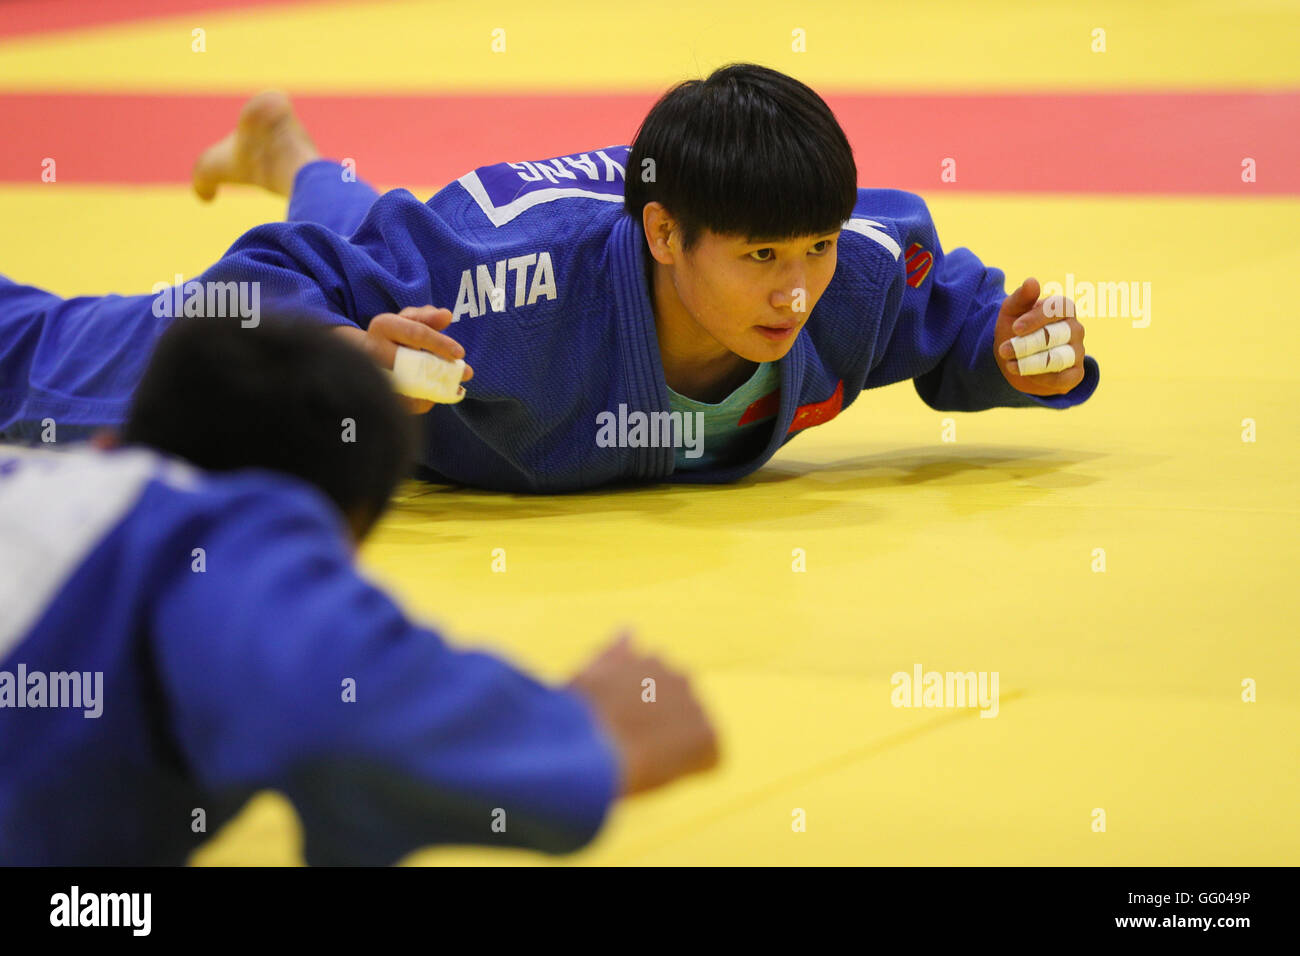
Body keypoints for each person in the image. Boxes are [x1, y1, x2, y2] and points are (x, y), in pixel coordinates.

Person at [0, 63, 1099, 492]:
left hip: (488, 253)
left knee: (377, 234)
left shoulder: (847, 267)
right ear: (666, 235)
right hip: (479, 261)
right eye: (761, 258)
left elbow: (953, 314)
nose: (795, 291)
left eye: (812, 249)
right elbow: (290, 275)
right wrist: (336, 353)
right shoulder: (497, 283)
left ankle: (287, 154)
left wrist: (1010, 356)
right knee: (71, 365)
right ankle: (292, 169)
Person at [0, 319, 718, 865]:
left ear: (104, 447)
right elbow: (326, 709)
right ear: (328, 539)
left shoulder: (65, 493)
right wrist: (583, 738)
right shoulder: (214, 528)